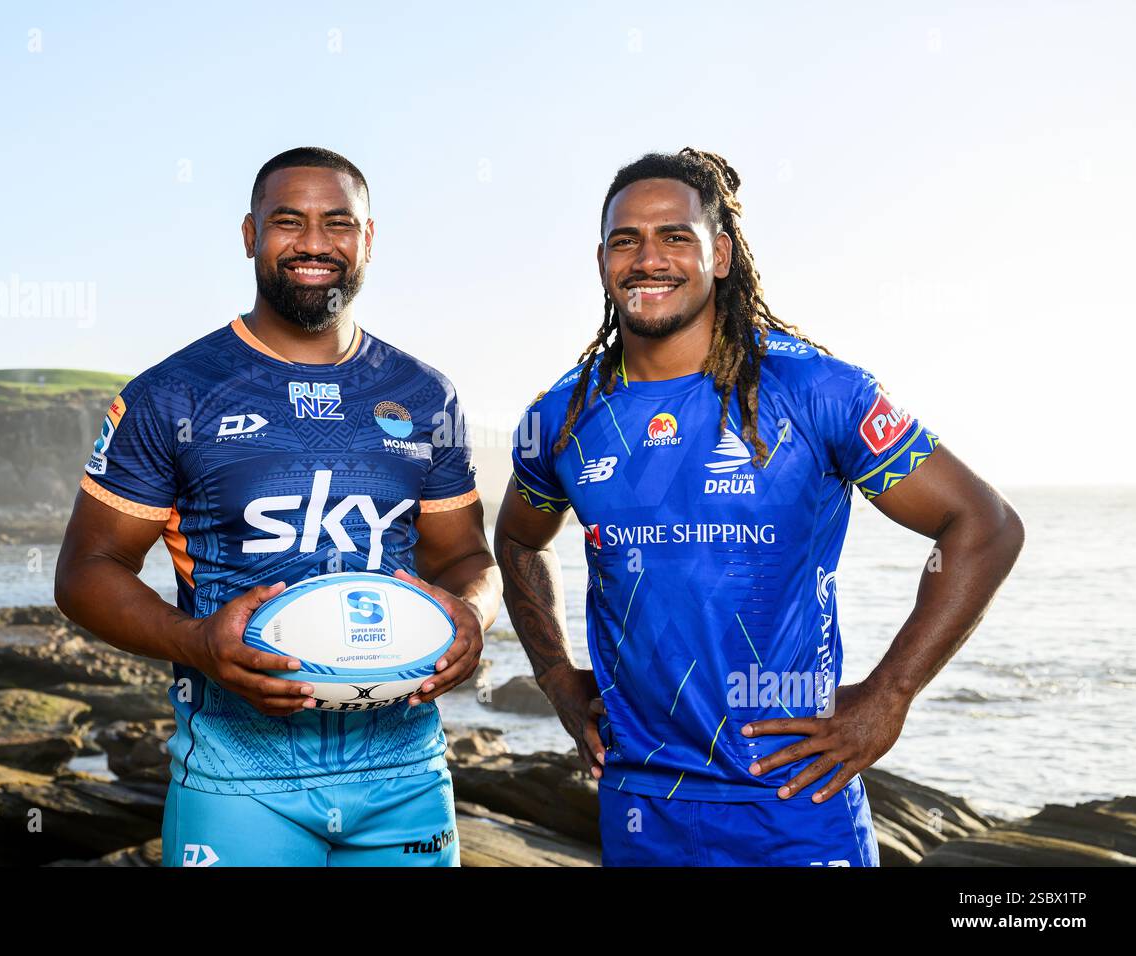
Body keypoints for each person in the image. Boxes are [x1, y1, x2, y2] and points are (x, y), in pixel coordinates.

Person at [494, 148, 1024, 866]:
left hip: (793, 801)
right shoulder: (563, 415)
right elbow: (518, 541)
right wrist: (557, 678)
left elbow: (984, 525)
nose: (649, 259)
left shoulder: (816, 390)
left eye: (674, 236)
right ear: (602, 261)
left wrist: (888, 697)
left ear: (719, 254)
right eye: (626, 240)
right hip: (640, 804)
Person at [55, 146, 500, 867]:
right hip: (238, 780)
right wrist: (195, 642)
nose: (315, 243)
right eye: (289, 221)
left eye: (338, 223)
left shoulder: (425, 395)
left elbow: (467, 558)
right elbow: (85, 570)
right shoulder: (174, 393)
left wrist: (473, 615)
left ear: (368, 239)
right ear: (249, 235)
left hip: (407, 776)